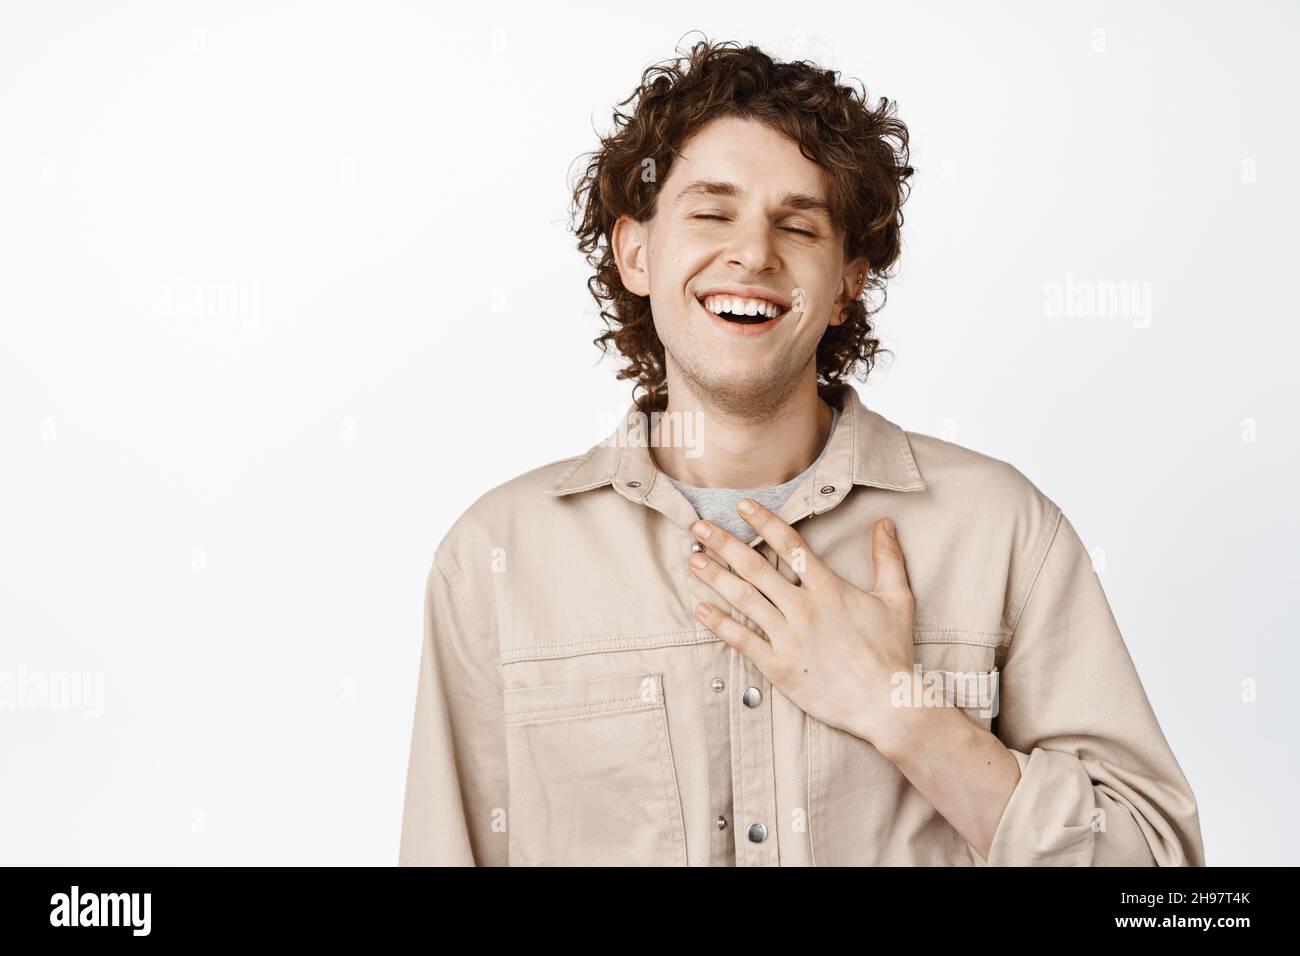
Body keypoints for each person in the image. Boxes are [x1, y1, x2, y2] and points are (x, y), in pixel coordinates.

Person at [398, 38, 1205, 866]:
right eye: (712, 213)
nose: (753, 253)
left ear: (849, 280)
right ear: (636, 254)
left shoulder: (1004, 533)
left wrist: (901, 711)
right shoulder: (493, 559)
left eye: (799, 224)